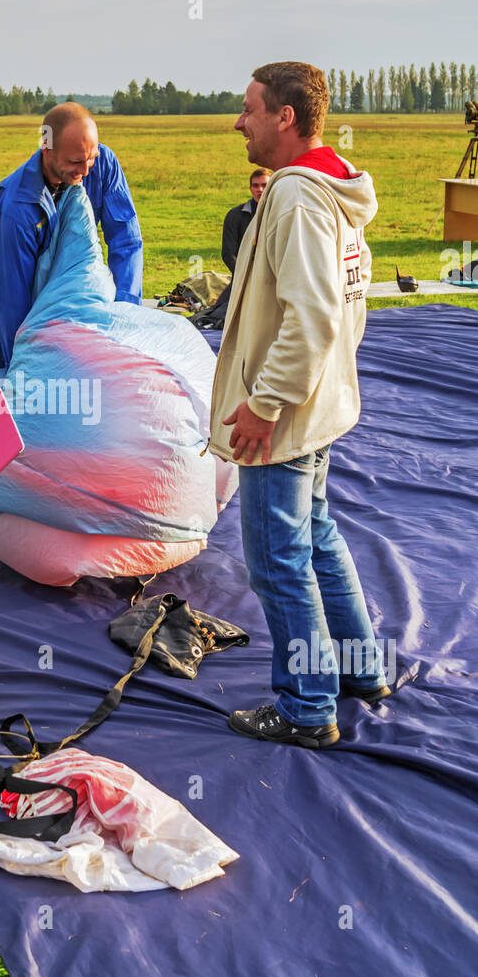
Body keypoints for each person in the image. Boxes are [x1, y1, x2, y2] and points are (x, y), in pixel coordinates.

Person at [208, 61, 389, 749]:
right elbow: (346, 307)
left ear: (283, 116)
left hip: (283, 415)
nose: (238, 121)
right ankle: (358, 667)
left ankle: (307, 708)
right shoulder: (334, 188)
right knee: (314, 535)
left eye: (248, 108)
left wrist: (264, 401)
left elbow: (309, 316)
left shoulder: (296, 199)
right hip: (320, 401)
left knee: (278, 559)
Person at [0, 103, 143, 374]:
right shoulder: (18, 207)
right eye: (75, 162)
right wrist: (23, 371)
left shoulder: (102, 162)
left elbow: (126, 239)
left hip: (76, 307)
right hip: (17, 310)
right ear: (47, 147)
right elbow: (13, 303)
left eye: (90, 157)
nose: (87, 170)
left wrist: (123, 314)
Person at [221, 168, 270, 273]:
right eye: (255, 185)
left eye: (264, 185)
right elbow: (228, 254)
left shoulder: (280, 214)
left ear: (272, 187)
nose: (260, 189)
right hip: (244, 275)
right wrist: (243, 276)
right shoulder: (234, 215)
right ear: (250, 188)